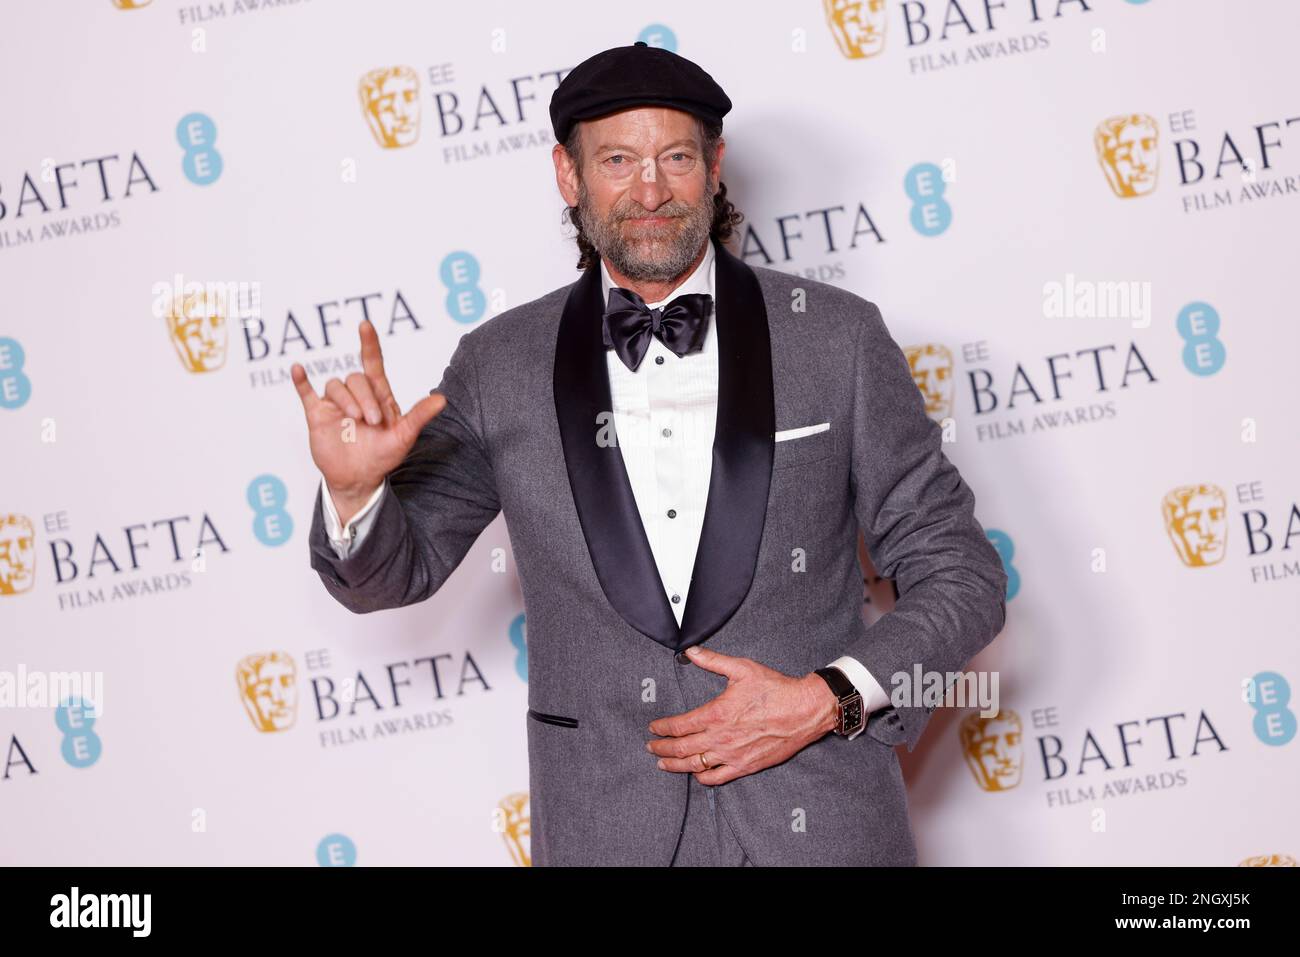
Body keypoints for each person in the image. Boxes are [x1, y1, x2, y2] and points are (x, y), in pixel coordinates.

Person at [293, 41, 1008, 866]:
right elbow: (394, 573)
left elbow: (963, 575)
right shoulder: (500, 364)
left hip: (823, 826)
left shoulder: (837, 337)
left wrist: (828, 697)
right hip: (607, 832)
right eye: (618, 159)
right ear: (569, 176)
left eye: (674, 157)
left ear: (714, 168)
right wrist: (355, 497)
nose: (650, 189)